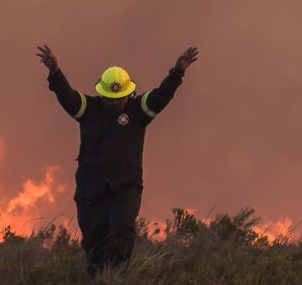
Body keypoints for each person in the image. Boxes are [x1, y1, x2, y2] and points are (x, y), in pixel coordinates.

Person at [37, 44, 199, 272]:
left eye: (120, 97)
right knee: (94, 241)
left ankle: (117, 278)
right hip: (90, 190)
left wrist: (177, 72)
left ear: (129, 94)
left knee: (122, 230)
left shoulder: (138, 111)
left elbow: (161, 96)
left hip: (126, 188)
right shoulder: (89, 109)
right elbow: (67, 97)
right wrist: (55, 72)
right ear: (101, 93)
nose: (115, 102)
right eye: (110, 98)